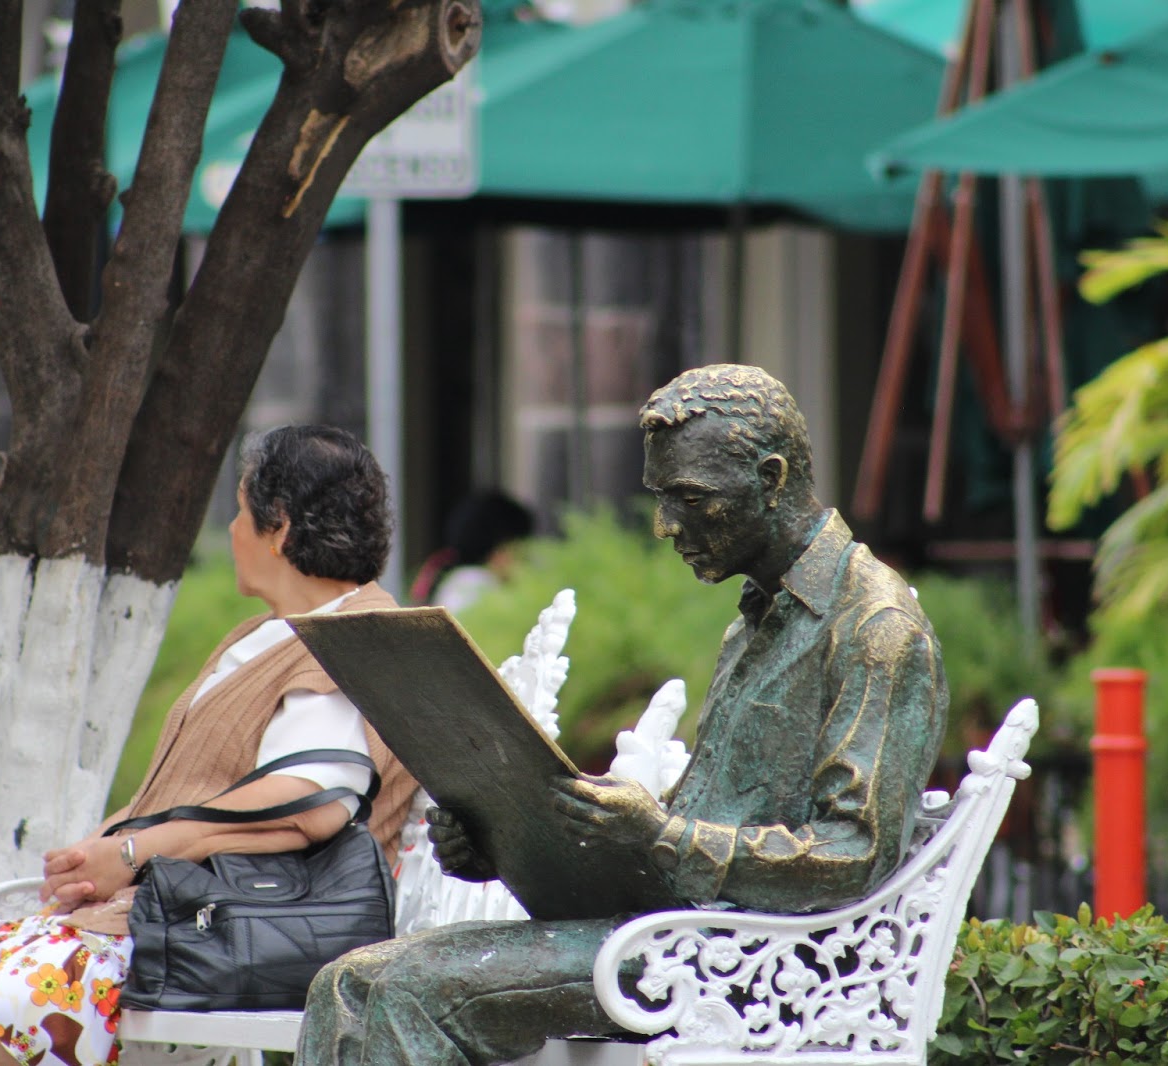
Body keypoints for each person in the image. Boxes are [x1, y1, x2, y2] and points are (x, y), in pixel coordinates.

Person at [297, 364, 951, 1066]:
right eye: (660, 498)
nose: (666, 525)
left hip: (750, 961)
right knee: (353, 981)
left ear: (770, 478)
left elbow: (853, 852)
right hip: (681, 935)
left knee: (389, 987)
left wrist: (664, 833)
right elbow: (707, 825)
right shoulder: (757, 620)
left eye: (690, 497)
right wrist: (501, 840)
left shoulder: (876, 628)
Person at [0, 425, 418, 1066]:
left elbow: (310, 802)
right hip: (172, 915)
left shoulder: (354, 642)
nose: (230, 530)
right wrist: (103, 858)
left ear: (279, 528)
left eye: (241, 511)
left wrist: (135, 852)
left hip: (229, 931)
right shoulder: (273, 634)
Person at [408, 490, 534, 612]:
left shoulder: (458, 578)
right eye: (517, 548)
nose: (523, 559)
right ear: (497, 548)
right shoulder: (476, 583)